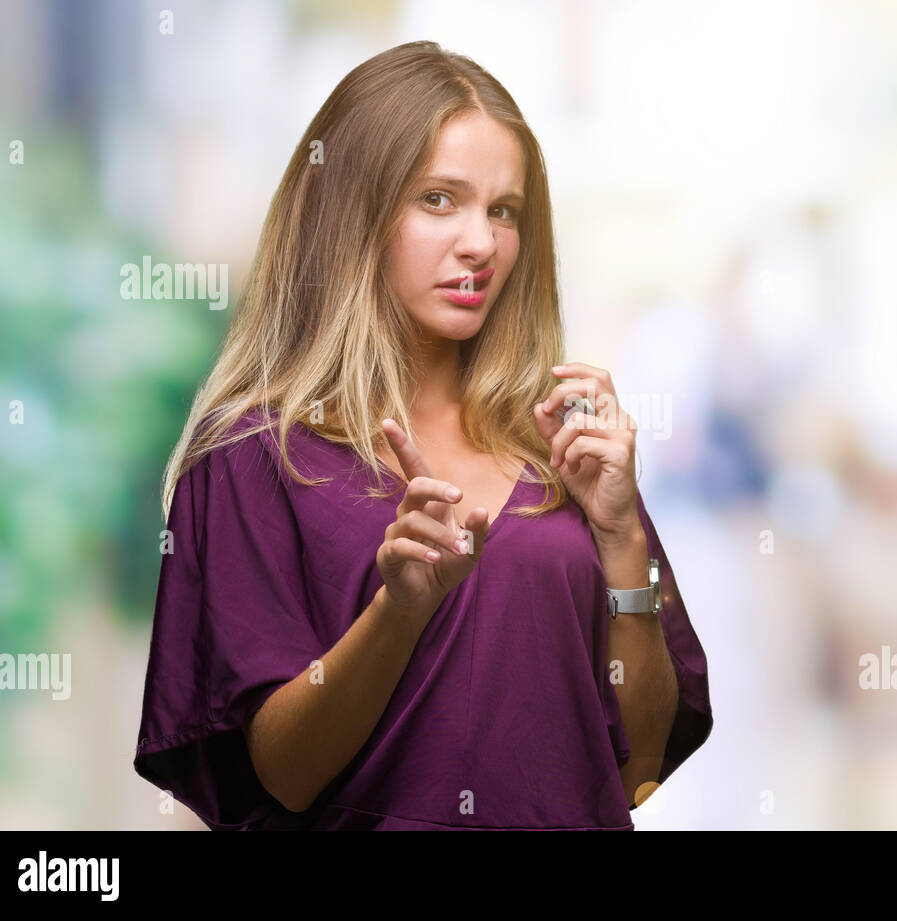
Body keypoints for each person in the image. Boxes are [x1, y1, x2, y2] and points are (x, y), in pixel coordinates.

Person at [131, 41, 712, 830]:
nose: (482, 242)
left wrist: (619, 541)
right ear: (353, 210)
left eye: (503, 210)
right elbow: (286, 774)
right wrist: (397, 610)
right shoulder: (253, 456)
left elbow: (639, 767)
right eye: (439, 199)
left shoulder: (560, 449)